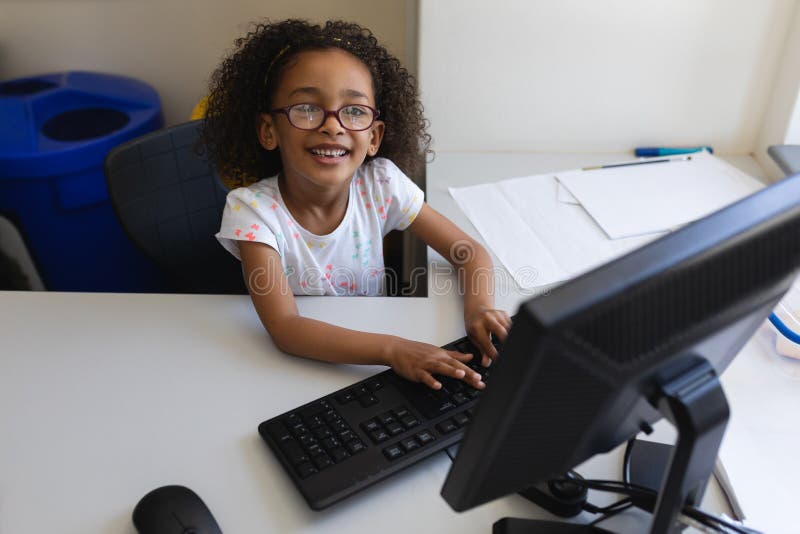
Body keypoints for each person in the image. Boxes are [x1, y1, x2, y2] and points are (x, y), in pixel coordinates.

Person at [203, 19, 511, 390]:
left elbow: (467, 251)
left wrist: (479, 308)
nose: (333, 126)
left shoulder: (380, 184)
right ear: (269, 130)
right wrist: (394, 350)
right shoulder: (252, 212)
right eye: (306, 108)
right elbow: (286, 328)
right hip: (300, 372)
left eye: (353, 110)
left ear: (374, 137)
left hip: (368, 349)